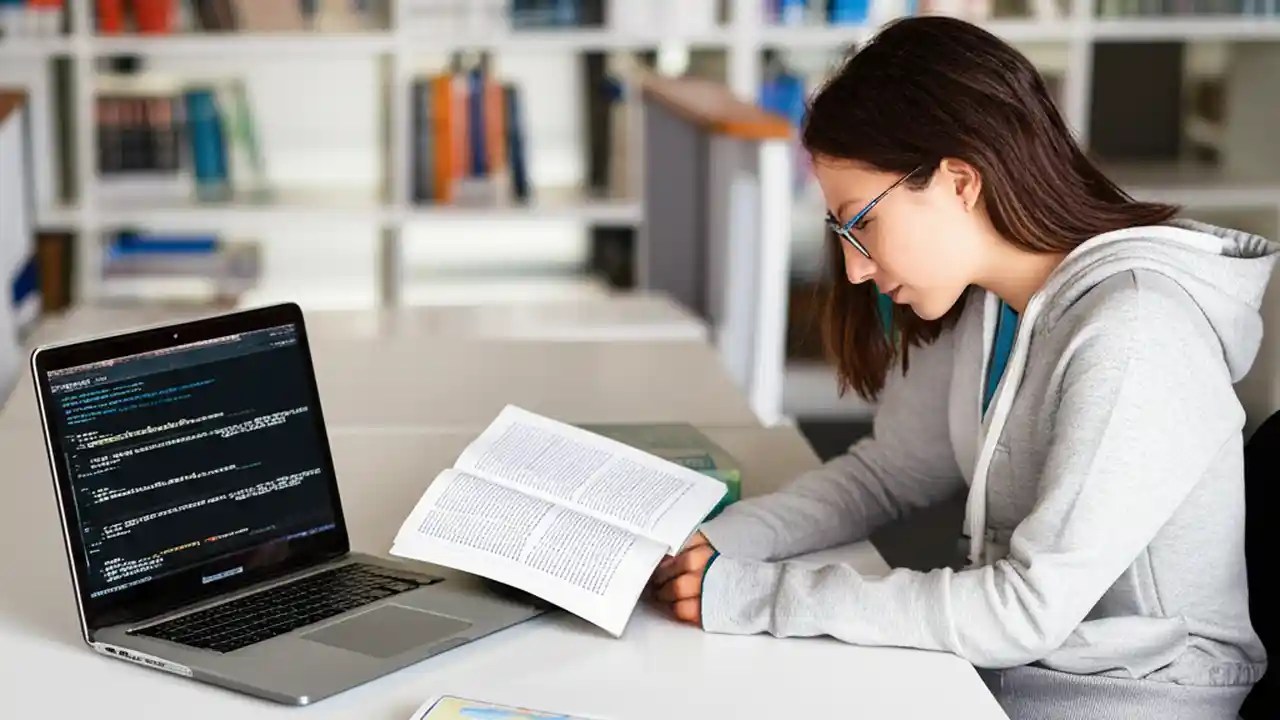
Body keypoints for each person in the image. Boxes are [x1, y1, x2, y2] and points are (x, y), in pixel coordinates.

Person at [646, 15, 1271, 720]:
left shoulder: (1135, 334)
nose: (854, 269)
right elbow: (887, 475)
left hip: (1125, 700)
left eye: (863, 224)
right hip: (1005, 675)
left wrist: (756, 596)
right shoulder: (994, 303)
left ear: (959, 182)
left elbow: (1026, 611)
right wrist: (709, 548)